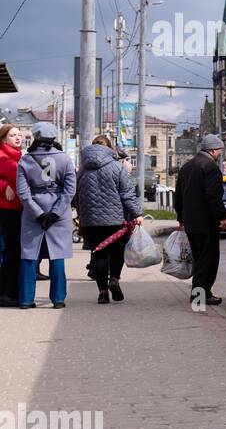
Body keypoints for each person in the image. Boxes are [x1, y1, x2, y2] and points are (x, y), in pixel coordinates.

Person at [14, 122, 76, 309]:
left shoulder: (26, 160)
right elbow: (70, 190)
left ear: (35, 137)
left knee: (29, 255)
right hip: (59, 212)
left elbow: (23, 193)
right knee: (57, 256)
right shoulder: (65, 159)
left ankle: (25, 299)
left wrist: (39, 214)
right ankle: (58, 299)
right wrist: (56, 212)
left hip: (33, 212)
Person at [77, 135, 142, 304]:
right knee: (116, 252)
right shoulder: (117, 167)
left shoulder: (82, 168)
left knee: (98, 254)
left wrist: (81, 214)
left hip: (90, 219)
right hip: (116, 219)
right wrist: (137, 213)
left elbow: (76, 194)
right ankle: (114, 279)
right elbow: (127, 194)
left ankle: (102, 292)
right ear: (110, 148)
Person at [176, 134, 226, 306]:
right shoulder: (210, 168)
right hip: (206, 224)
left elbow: (178, 197)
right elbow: (214, 197)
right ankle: (200, 297)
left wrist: (181, 218)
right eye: (219, 150)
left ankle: (202, 294)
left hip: (191, 223)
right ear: (213, 150)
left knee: (199, 259)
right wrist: (222, 217)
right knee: (207, 261)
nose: (220, 154)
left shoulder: (186, 167)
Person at [0, 124, 24, 306]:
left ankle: (11, 291)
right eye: (12, 135)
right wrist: (3, 186)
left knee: (13, 251)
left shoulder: (17, 156)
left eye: (19, 134)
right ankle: (6, 293)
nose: (18, 138)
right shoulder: (3, 157)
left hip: (16, 209)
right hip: (5, 209)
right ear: (3, 139)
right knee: (9, 251)